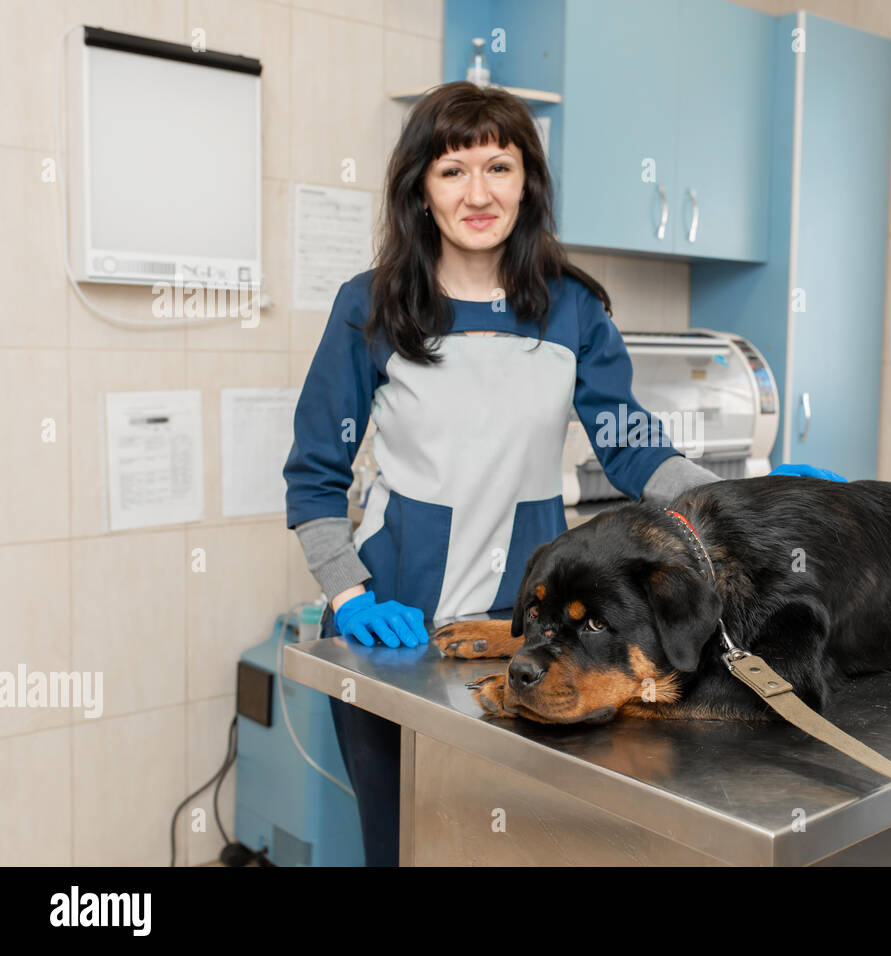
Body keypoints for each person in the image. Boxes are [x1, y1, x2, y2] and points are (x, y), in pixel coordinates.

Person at [281, 82, 721, 866]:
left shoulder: (574, 309)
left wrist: (727, 499)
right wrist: (349, 597)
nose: (478, 193)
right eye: (452, 171)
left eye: (499, 167)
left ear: (528, 184)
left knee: (522, 847)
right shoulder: (371, 307)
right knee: (404, 848)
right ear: (420, 189)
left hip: (533, 638)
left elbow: (629, 447)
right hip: (396, 632)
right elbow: (315, 474)